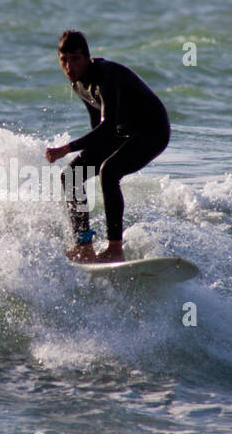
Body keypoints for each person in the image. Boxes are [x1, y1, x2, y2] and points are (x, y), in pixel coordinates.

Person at [45, 30, 170, 263]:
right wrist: (84, 156)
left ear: (87, 58)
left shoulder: (105, 75)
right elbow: (98, 130)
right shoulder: (79, 85)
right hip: (123, 134)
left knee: (109, 171)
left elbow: (108, 125)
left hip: (153, 131)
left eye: (75, 59)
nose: (69, 67)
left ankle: (115, 248)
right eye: (64, 60)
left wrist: (66, 148)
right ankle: (84, 246)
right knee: (72, 175)